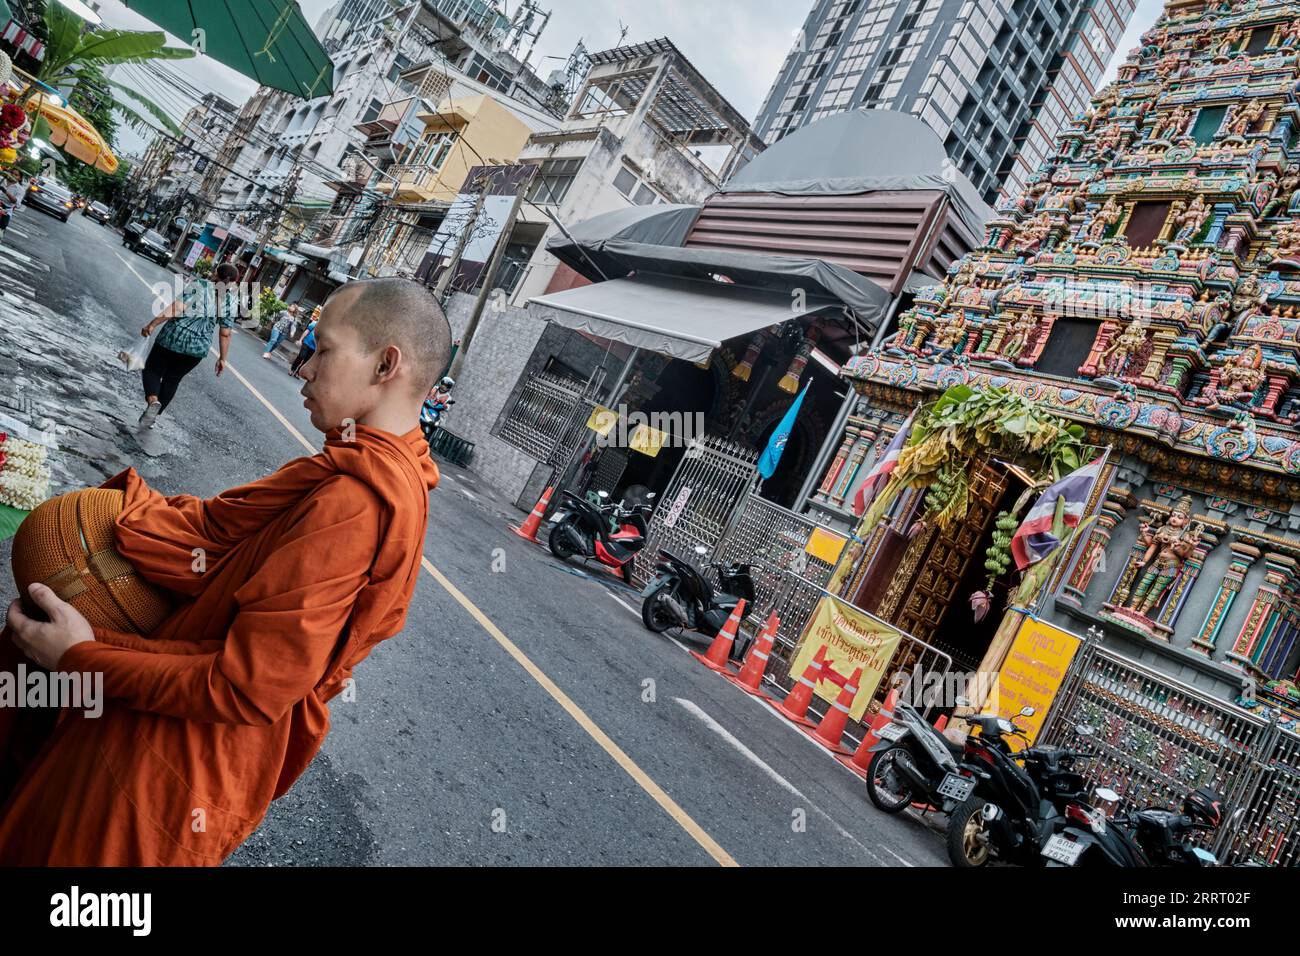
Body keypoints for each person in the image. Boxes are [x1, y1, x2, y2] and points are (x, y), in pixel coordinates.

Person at [0, 278, 451, 865]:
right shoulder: (393, 468)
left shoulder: (358, 502)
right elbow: (222, 536)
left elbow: (245, 685)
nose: (303, 367)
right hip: (181, 739)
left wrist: (79, 659)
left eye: (324, 349)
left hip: (168, 762)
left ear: (385, 364)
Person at [137, 261, 240, 428]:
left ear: (215, 274)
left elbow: (177, 308)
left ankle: (153, 400)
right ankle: (153, 416)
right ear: (234, 281)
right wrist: (222, 358)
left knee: (153, 370)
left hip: (173, 337)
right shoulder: (231, 300)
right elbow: (225, 333)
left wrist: (152, 324)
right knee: (173, 380)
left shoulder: (200, 285)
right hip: (197, 349)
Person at [290, 309, 318, 377]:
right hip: (307, 343)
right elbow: (307, 331)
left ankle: (298, 373)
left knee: (306, 361)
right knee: (301, 356)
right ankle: (292, 369)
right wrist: (300, 340)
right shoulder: (315, 323)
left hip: (314, 347)